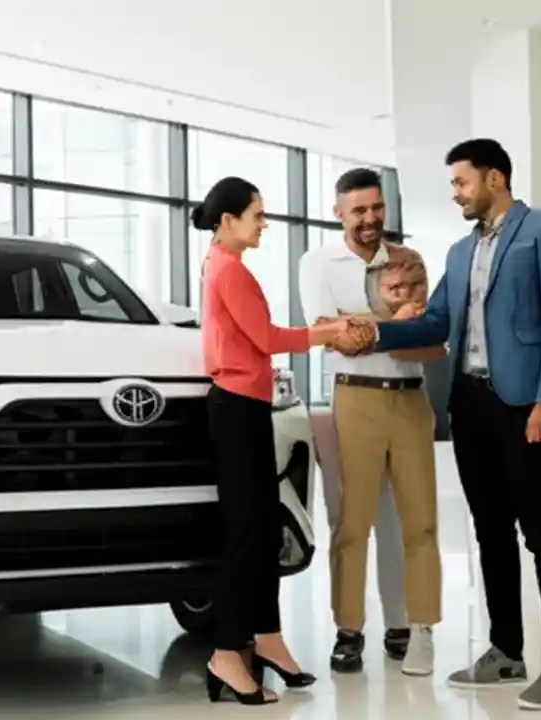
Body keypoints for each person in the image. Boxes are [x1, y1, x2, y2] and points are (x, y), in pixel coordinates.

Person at [335, 139, 541, 711]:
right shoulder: (457, 251)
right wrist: (375, 331)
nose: (455, 194)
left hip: (525, 404)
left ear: (494, 179)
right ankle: (505, 650)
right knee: (489, 531)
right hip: (469, 406)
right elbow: (439, 320)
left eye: (461, 183)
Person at [195, 176, 346, 706]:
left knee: (260, 533)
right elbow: (266, 339)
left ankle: (267, 638)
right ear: (228, 220)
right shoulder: (229, 270)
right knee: (246, 535)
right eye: (257, 214)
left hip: (247, 407)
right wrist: (327, 333)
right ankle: (226, 652)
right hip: (236, 411)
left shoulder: (225, 265)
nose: (264, 223)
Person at [297, 168, 443, 678]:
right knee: (352, 523)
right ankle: (349, 630)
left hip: (410, 400)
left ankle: (416, 628)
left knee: (418, 521)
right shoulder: (317, 262)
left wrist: (361, 326)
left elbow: (432, 340)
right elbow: (325, 334)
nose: (370, 218)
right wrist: (392, 326)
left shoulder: (408, 260)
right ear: (339, 213)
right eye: (358, 210)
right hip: (354, 401)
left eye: (377, 207)